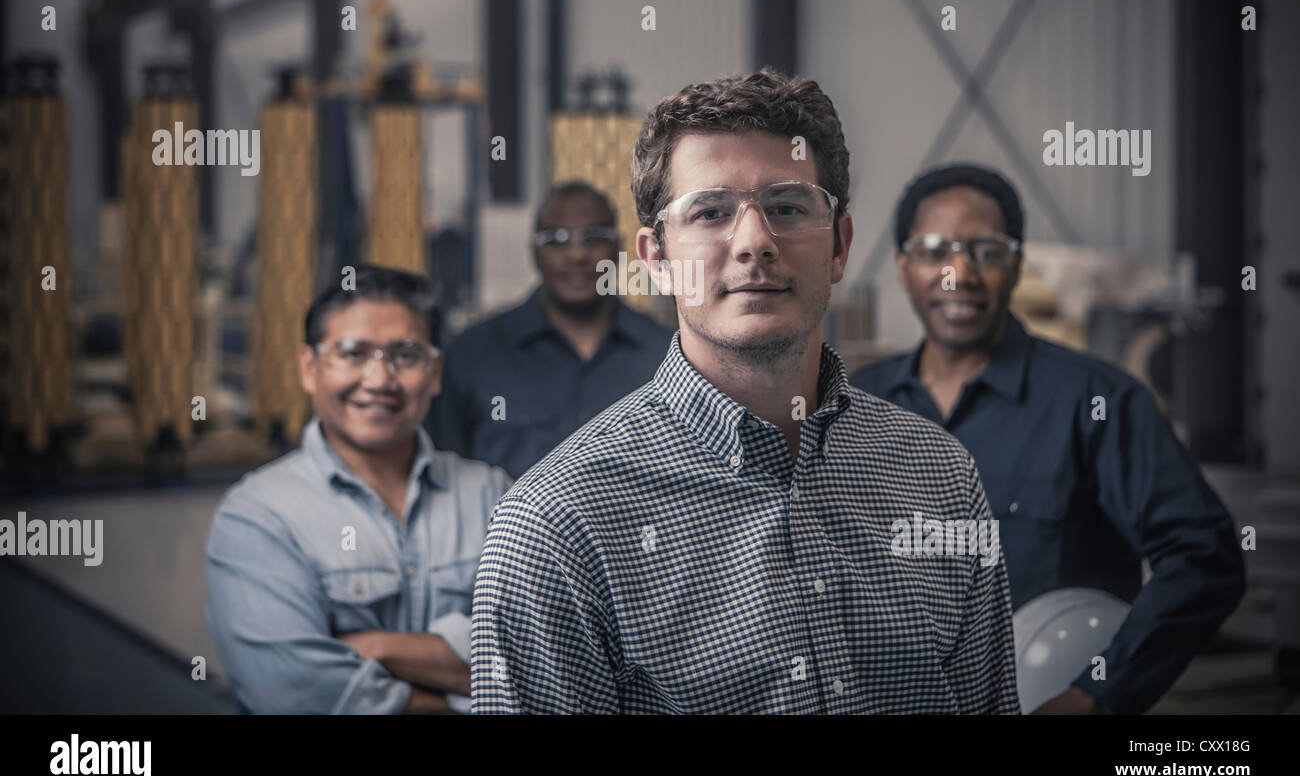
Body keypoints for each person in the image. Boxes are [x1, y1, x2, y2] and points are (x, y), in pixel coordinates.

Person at [470, 70, 1020, 714]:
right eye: (710, 212)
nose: (756, 242)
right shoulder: (557, 528)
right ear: (657, 260)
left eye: (788, 207)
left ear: (839, 246)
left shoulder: (939, 475)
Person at [849, 162, 1246, 714]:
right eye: (934, 249)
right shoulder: (853, 406)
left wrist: (1095, 695)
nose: (958, 274)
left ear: (1016, 265)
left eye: (986, 251)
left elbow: (1205, 557)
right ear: (902, 265)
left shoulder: (1096, 403)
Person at [206, 265, 511, 713]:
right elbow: (294, 693)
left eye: (405, 355)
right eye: (353, 353)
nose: (380, 380)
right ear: (309, 368)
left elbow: (545, 655)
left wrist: (376, 648)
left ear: (436, 372)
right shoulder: (257, 517)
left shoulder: (493, 495)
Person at [426, 181, 671, 478]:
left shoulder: (667, 356)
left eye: (593, 237)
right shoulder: (471, 357)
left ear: (618, 248)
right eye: (556, 239)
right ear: (534, 251)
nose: (576, 254)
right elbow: (442, 480)